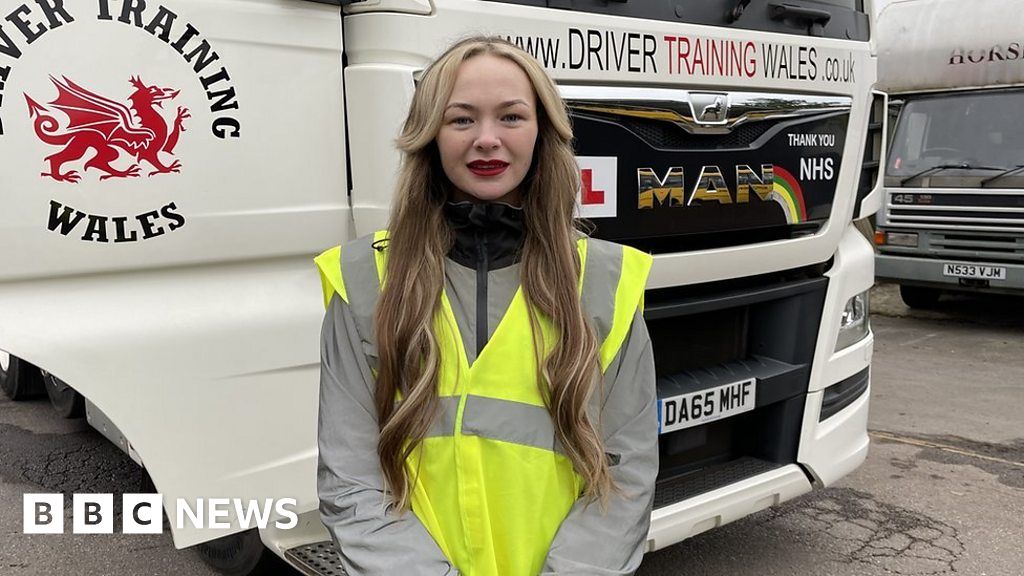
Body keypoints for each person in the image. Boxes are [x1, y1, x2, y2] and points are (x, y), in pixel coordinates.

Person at [314, 36, 657, 576]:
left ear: (542, 131)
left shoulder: (605, 281)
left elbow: (626, 471)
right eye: (461, 120)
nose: (488, 140)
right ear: (429, 137)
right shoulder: (363, 279)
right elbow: (351, 477)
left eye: (512, 117)